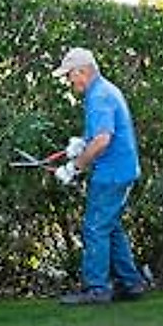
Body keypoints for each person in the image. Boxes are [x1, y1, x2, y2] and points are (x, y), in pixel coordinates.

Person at [51, 47, 148, 305]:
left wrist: (74, 167)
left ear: (82, 71)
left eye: (70, 76)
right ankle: (131, 283)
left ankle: (97, 289)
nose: (70, 82)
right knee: (110, 227)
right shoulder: (104, 90)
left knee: (95, 227)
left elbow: (103, 140)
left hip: (112, 173)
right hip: (123, 170)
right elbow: (97, 136)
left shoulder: (99, 97)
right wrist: (80, 143)